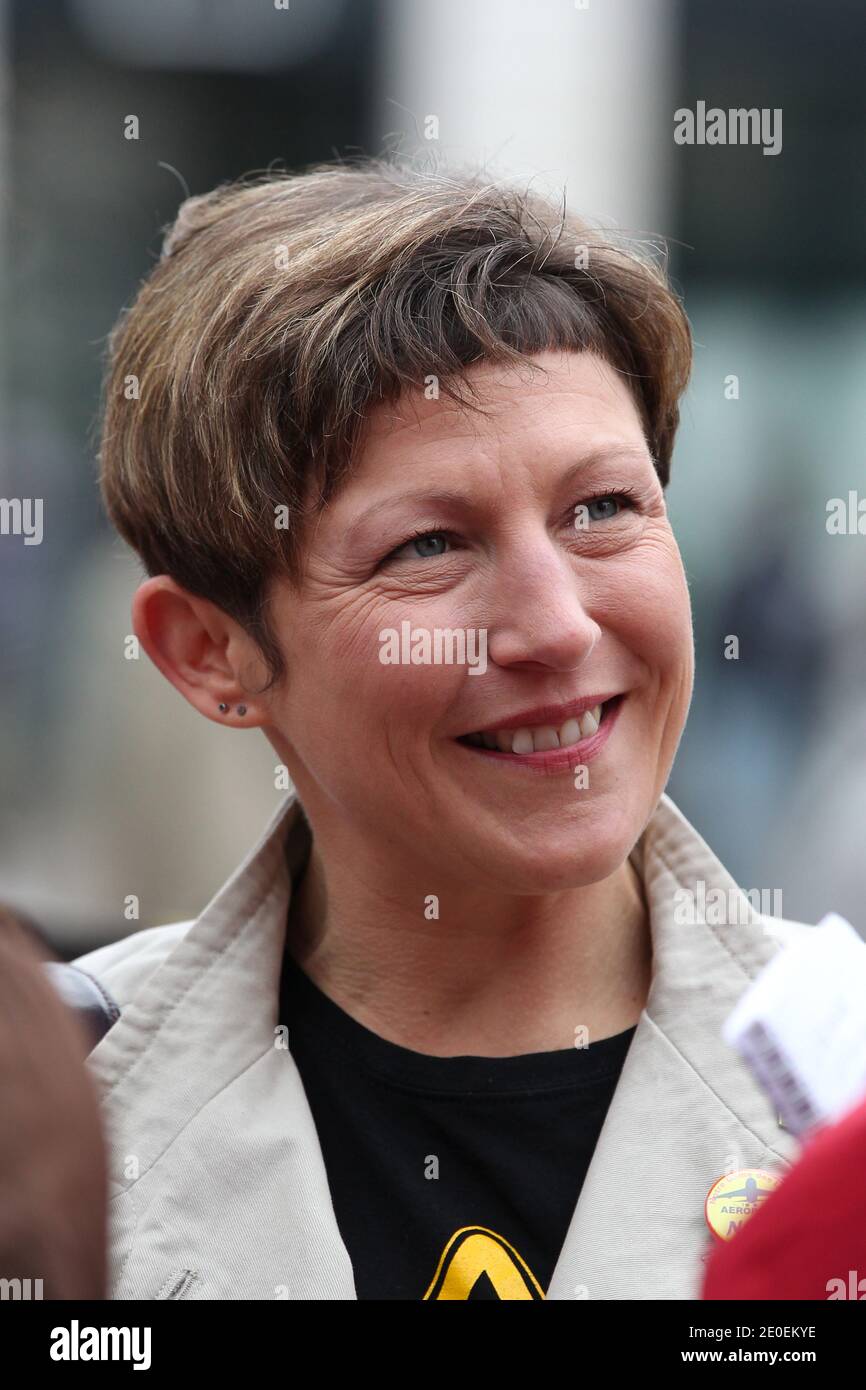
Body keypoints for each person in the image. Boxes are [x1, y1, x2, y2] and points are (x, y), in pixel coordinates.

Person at [72, 158, 813, 1301]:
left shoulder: (843, 1079)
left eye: (601, 509)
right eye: (426, 545)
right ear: (209, 651)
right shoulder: (50, 1128)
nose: (556, 626)